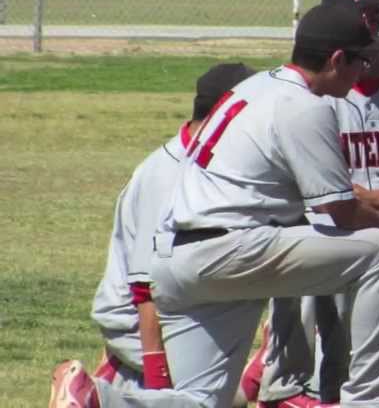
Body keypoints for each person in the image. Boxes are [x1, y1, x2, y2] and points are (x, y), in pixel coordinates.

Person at [60, 3, 379, 408]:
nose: (365, 70)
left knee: (203, 402)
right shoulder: (305, 104)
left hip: (176, 261)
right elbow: (342, 211)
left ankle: (95, 399)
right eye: (362, 58)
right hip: (230, 250)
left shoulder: (252, 88)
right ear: (337, 60)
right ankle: (370, 402)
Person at [244, 0, 379, 408]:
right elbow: (313, 196)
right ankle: (289, 385)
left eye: (376, 14)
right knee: (299, 248)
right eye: (359, 17)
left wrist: (370, 202)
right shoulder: (309, 91)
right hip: (334, 229)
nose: (369, 26)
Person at [49, 63, 256, 408]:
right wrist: (159, 377)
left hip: (174, 321)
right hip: (141, 329)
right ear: (226, 114)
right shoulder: (169, 173)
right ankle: (95, 394)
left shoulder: (209, 162)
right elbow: (146, 292)